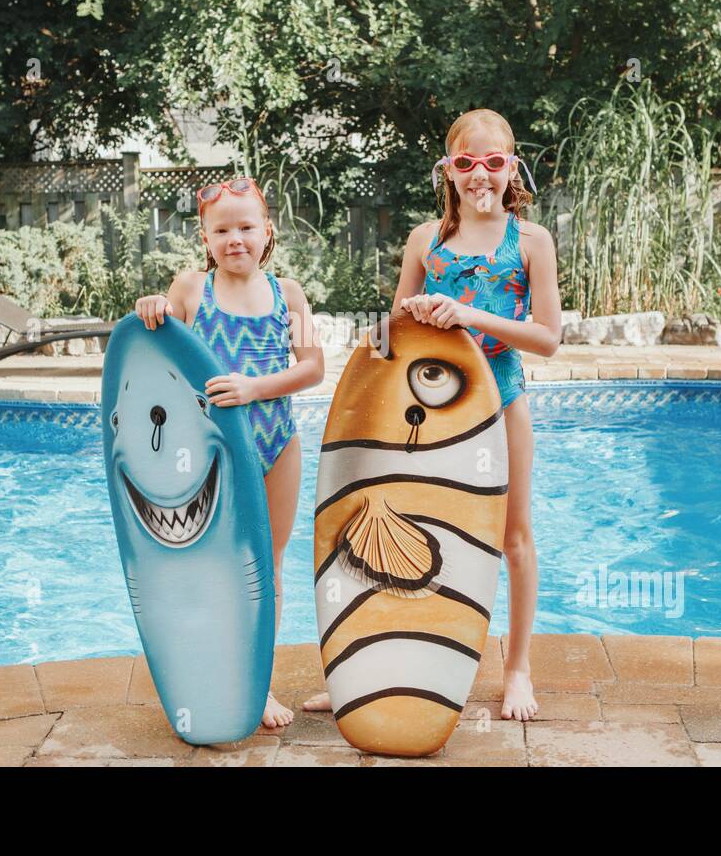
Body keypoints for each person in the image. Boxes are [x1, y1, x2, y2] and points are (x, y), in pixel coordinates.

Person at [304, 108, 562, 721]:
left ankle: (517, 670)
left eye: (493, 162)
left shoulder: (531, 241)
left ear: (511, 168)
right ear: (447, 170)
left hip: (500, 401)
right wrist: (365, 339)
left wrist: (468, 315)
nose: (480, 175)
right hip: (427, 413)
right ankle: (367, 672)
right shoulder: (426, 241)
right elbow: (396, 334)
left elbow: (548, 337)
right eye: (466, 163)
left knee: (513, 537)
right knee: (405, 533)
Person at [134, 176, 325, 729]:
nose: (234, 238)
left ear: (268, 232)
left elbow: (312, 368)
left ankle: (256, 685)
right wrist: (152, 305)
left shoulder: (288, 294)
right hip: (211, 455)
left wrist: (253, 389)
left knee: (267, 567)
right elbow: (156, 342)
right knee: (215, 567)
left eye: (246, 227)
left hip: (276, 445)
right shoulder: (193, 289)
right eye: (222, 230)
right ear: (204, 236)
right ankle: (209, 674)